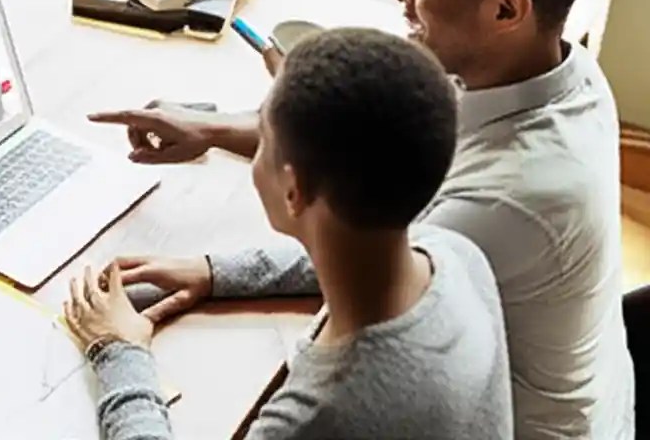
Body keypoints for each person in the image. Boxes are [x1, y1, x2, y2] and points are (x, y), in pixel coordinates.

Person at [90, 0, 634, 438]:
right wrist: (215, 265)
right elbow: (370, 200)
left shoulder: (500, 207)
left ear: (506, 10)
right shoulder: (565, 80)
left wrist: (118, 350)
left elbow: (357, 236)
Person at [66, 28, 512, 439]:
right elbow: (360, 255)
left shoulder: (321, 414)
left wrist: (119, 350)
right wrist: (214, 273)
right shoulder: (456, 253)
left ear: (293, 190)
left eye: (263, 137)